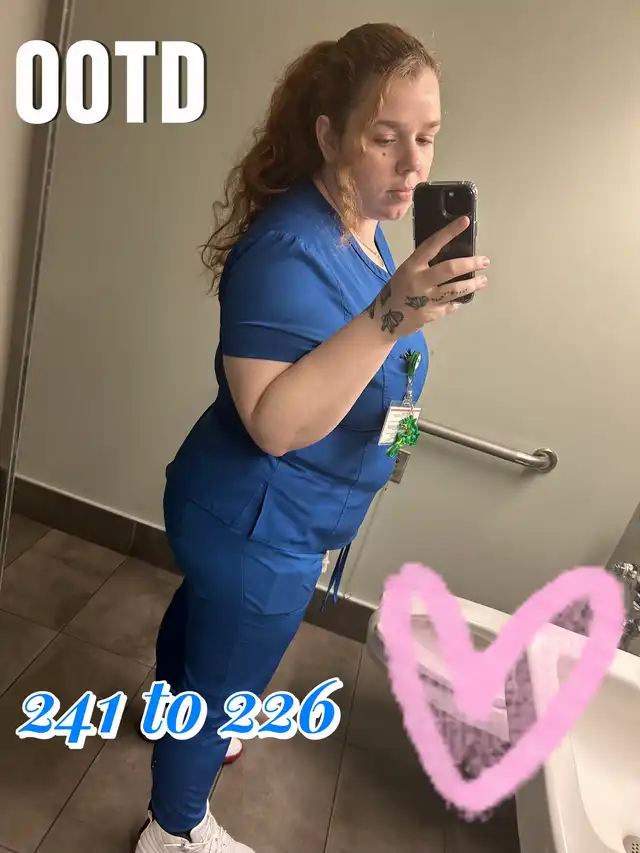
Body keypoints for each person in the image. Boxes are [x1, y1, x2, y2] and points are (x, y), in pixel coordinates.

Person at [135, 20, 489, 853]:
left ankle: (173, 708)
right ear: (330, 136)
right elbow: (275, 425)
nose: (413, 166)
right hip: (256, 522)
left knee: (205, 640)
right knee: (223, 690)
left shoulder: (361, 221)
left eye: (427, 137)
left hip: (272, 519)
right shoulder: (286, 250)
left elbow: (352, 354)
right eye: (386, 138)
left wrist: (402, 314)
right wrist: (394, 314)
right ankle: (172, 830)